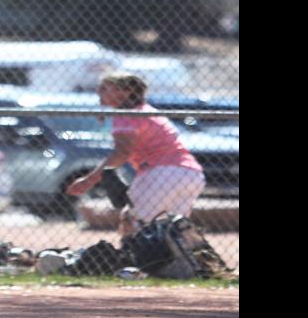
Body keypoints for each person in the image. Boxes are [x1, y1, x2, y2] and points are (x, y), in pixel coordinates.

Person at [64, 72, 204, 240]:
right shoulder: (145, 110)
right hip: (191, 174)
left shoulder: (125, 114)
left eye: (105, 88)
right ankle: (184, 256)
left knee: (133, 223)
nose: (98, 92)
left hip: (162, 173)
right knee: (174, 229)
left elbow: (122, 153)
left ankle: (132, 255)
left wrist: (89, 180)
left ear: (126, 92)